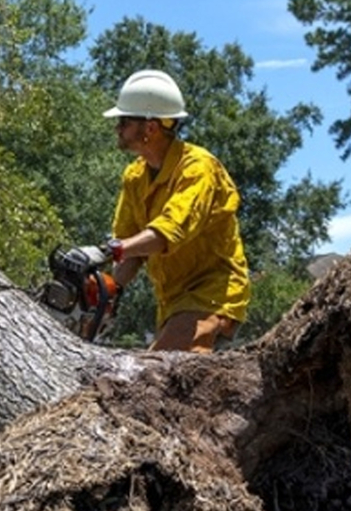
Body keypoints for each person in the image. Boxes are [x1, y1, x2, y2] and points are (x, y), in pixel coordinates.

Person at [102, 69, 250, 352]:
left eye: (124, 120)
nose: (117, 128)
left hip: (214, 296)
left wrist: (111, 249)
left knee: (152, 373)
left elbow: (166, 233)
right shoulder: (134, 177)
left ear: (151, 128)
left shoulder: (198, 169)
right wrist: (109, 290)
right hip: (173, 304)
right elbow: (132, 251)